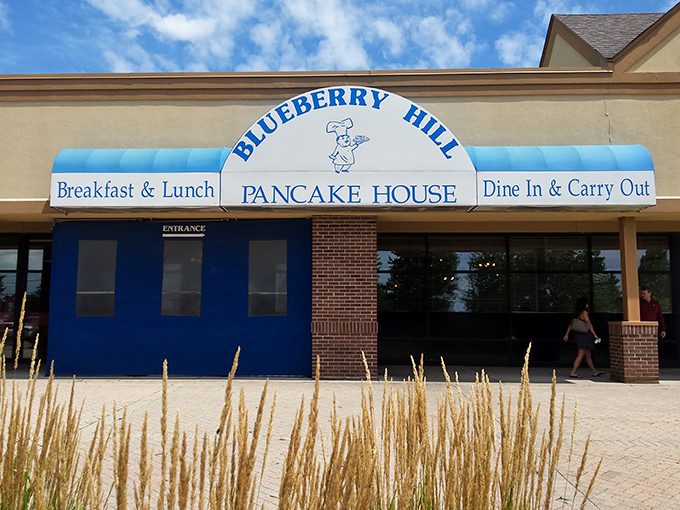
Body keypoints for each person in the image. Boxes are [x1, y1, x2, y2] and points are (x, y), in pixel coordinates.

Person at [563, 297, 606, 378]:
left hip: (577, 335)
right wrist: (594, 334)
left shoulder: (576, 313)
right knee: (581, 354)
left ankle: (594, 371)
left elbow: (571, 324)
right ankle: (573, 372)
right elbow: (589, 324)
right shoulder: (584, 312)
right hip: (584, 336)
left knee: (588, 354)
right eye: (586, 303)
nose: (588, 304)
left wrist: (567, 334)